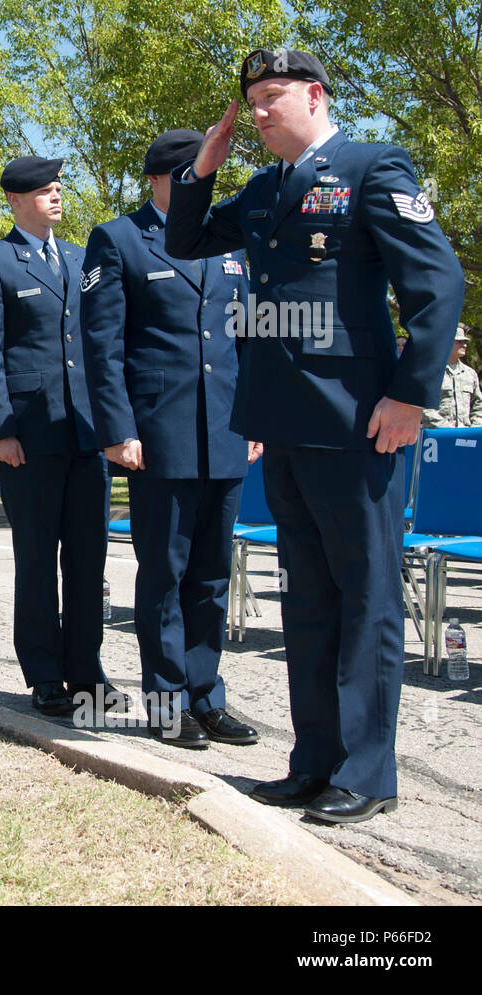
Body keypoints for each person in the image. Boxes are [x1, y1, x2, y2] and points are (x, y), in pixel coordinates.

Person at [166, 48, 465, 823]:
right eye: (251, 100)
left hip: (359, 420)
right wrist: (205, 167)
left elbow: (438, 285)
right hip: (282, 419)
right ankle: (316, 762)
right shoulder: (265, 187)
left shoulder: (371, 167)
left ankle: (368, 772)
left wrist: (410, 395)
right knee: (306, 601)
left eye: (271, 97)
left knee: (367, 597)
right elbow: (186, 242)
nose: (259, 112)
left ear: (316, 95)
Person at [81, 129, 259, 747]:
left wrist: (256, 418)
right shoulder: (117, 239)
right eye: (196, 174)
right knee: (164, 570)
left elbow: (249, 335)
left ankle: (207, 696)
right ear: (163, 178)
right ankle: (167, 700)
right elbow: (101, 347)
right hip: (158, 433)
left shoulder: (228, 239)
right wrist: (118, 429)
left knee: (212, 574)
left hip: (227, 430)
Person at [0, 156, 125, 717]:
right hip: (27, 437)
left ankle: (88, 673)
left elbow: (101, 344)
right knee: (37, 558)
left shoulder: (83, 260)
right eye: (44, 190)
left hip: (85, 434)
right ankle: (45, 673)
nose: (57, 196)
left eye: (59, 188)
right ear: (14, 200)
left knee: (88, 560)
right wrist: (0, 433)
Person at [423, 326, 481, 427]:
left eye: (465, 342)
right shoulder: (431, 372)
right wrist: (447, 429)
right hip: (438, 436)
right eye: (459, 342)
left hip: (466, 436)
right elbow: (423, 406)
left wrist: (475, 426)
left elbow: (479, 403)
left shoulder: (470, 373)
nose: (465, 345)